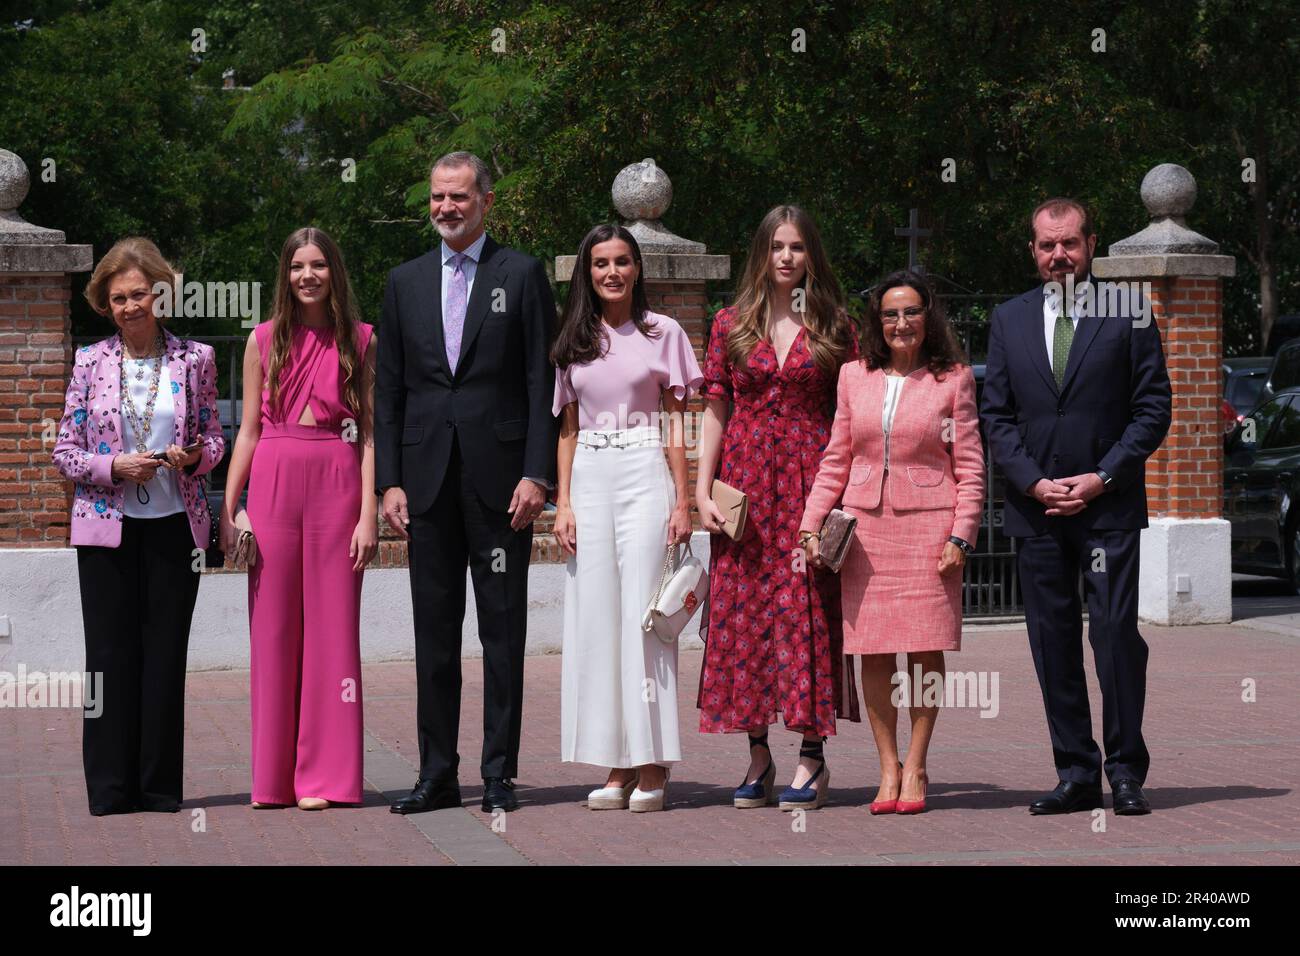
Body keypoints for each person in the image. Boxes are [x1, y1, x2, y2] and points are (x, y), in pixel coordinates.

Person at [377, 151, 558, 815]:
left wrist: (538, 472)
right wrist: (388, 482)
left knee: (502, 634)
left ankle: (499, 774)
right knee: (434, 637)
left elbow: (545, 383)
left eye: (458, 197)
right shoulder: (405, 281)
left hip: (501, 485)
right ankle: (438, 774)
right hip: (425, 487)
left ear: (485, 200)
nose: (445, 208)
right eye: (436, 198)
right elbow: (389, 390)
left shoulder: (522, 273)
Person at [980, 197, 1171, 815]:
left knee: (1115, 637)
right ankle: (1076, 771)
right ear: (1032, 250)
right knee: (1051, 641)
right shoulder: (1008, 320)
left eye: (1069, 243)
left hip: (1106, 509)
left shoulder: (1130, 313)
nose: (1057, 255)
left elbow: (1152, 409)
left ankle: (1125, 770)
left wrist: (1103, 476)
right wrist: (1034, 483)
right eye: (1045, 245)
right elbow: (997, 416)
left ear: (1092, 243)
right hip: (1038, 514)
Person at [695, 205, 861, 811]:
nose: (786, 257)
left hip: (811, 482)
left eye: (797, 247)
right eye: (776, 247)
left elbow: (854, 413)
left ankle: (812, 755)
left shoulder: (836, 326)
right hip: (745, 488)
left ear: (811, 254)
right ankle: (758, 753)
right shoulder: (730, 323)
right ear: (761, 254)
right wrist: (699, 490)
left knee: (807, 613)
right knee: (746, 614)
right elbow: (715, 408)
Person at [800, 270, 983, 815]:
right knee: (873, 653)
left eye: (911, 311)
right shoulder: (854, 376)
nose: (901, 322)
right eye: (890, 314)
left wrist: (962, 535)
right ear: (878, 323)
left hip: (931, 532)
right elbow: (837, 458)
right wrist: (810, 525)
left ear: (929, 317)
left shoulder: (954, 379)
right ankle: (887, 767)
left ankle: (918, 764)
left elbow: (971, 466)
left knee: (924, 653)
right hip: (866, 535)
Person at [52, 237, 224, 815]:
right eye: (117, 298)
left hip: (177, 526)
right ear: (106, 305)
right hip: (106, 526)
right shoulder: (89, 362)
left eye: (139, 295)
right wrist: (112, 467)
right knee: (108, 656)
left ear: (161, 294)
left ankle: (157, 788)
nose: (130, 307)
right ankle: (109, 789)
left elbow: (216, 439)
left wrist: (194, 457)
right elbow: (65, 452)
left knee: (164, 654)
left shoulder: (196, 358)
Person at [220, 227, 377, 811]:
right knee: (274, 629)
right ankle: (274, 782)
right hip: (275, 479)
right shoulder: (262, 340)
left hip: (338, 480)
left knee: (335, 632)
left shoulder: (362, 340)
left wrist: (368, 515)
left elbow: (366, 433)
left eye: (317, 265)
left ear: (334, 271)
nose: (306, 275)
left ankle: (326, 779)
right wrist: (230, 507)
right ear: (284, 276)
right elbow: (248, 430)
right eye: (295, 266)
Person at [552, 224, 702, 812]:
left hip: (645, 473)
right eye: (599, 264)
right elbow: (566, 428)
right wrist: (562, 501)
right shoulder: (574, 337)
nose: (611, 272)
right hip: (589, 476)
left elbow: (676, 424)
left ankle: (653, 763)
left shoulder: (663, 333)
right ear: (586, 273)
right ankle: (616, 760)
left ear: (637, 268)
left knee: (645, 618)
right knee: (597, 621)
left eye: (621, 262)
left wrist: (682, 500)